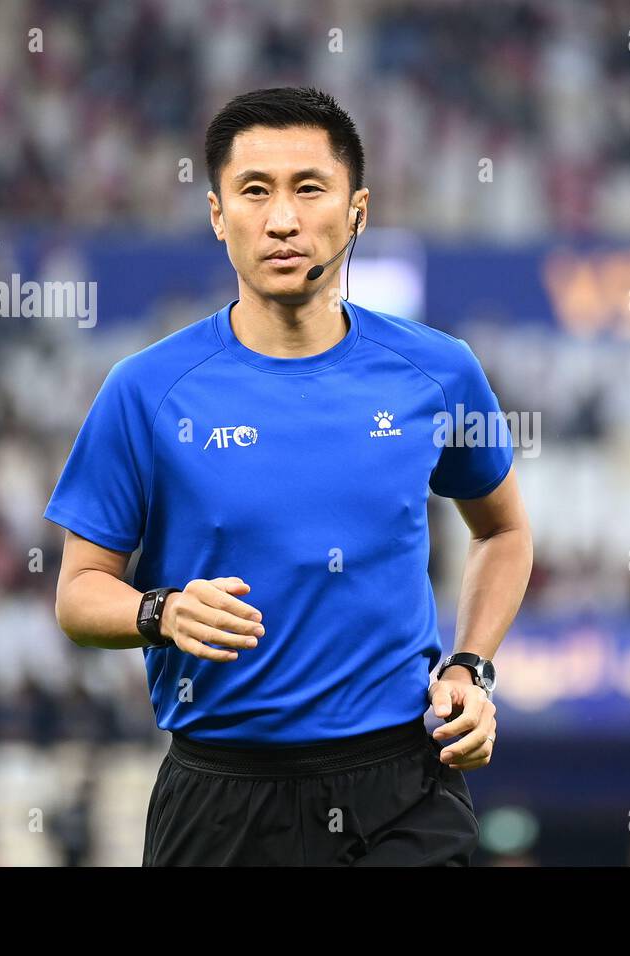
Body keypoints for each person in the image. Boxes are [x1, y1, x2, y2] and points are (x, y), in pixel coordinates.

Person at [43, 87, 533, 866]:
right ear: (216, 215)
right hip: (221, 799)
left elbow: (502, 530)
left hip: (405, 786)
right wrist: (160, 612)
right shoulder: (145, 390)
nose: (281, 220)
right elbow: (77, 593)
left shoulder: (438, 373)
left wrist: (471, 667)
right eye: (254, 191)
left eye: (309, 188)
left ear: (358, 210)